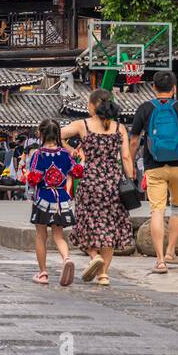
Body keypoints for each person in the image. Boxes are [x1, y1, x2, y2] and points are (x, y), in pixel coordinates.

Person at [128, 71, 178, 274]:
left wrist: (130, 165)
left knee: (157, 211)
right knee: (177, 208)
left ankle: (160, 260)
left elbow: (134, 141)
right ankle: (170, 251)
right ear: (174, 88)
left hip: (154, 166)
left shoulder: (144, 109)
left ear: (153, 87)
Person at [64, 89, 135, 287]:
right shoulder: (119, 128)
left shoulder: (83, 125)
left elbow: (54, 134)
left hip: (90, 180)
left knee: (87, 222)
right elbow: (127, 157)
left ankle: (94, 256)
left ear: (93, 105)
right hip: (113, 182)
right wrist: (129, 181)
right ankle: (103, 274)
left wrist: (72, 151)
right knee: (110, 227)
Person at [26, 118, 80, 286]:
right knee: (59, 235)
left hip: (43, 198)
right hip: (62, 200)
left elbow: (34, 179)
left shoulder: (39, 154)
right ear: (57, 134)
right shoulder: (65, 154)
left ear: (40, 134)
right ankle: (67, 258)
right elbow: (75, 172)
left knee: (41, 236)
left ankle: (43, 273)